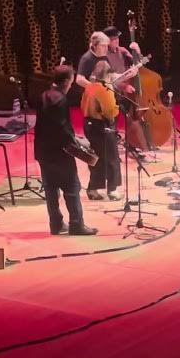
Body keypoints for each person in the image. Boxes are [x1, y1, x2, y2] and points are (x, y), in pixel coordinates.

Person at [33, 66, 98, 235]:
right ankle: (77, 224)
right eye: (71, 82)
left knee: (51, 189)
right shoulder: (61, 100)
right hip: (59, 152)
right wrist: (77, 142)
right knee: (72, 187)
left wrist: (72, 136)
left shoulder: (44, 96)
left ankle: (56, 224)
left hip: (43, 151)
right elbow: (62, 130)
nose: (71, 85)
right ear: (66, 81)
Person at [79, 61, 124, 201]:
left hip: (89, 125)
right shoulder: (105, 90)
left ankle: (92, 189)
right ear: (108, 74)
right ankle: (112, 190)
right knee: (112, 158)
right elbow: (110, 112)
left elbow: (82, 106)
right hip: (102, 127)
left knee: (96, 158)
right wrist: (117, 108)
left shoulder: (89, 87)